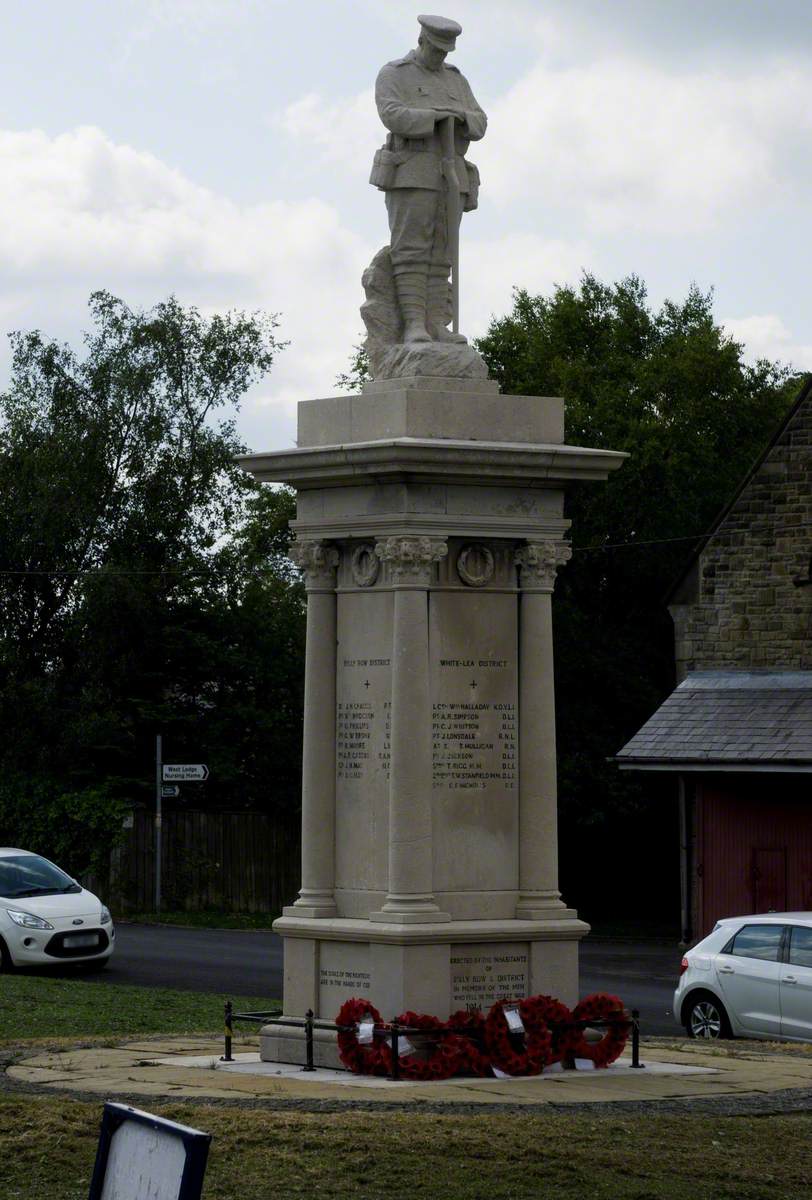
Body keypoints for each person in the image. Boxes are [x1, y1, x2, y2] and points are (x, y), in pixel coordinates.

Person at [371, 14, 487, 344]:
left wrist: (462, 119)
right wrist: (436, 117)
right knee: (411, 250)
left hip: (452, 173)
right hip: (412, 170)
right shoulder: (395, 74)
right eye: (435, 49)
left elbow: (480, 121)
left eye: (445, 52)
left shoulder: (455, 80)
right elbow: (391, 113)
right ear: (421, 41)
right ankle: (412, 325)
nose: (440, 57)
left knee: (443, 252)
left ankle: (437, 323)